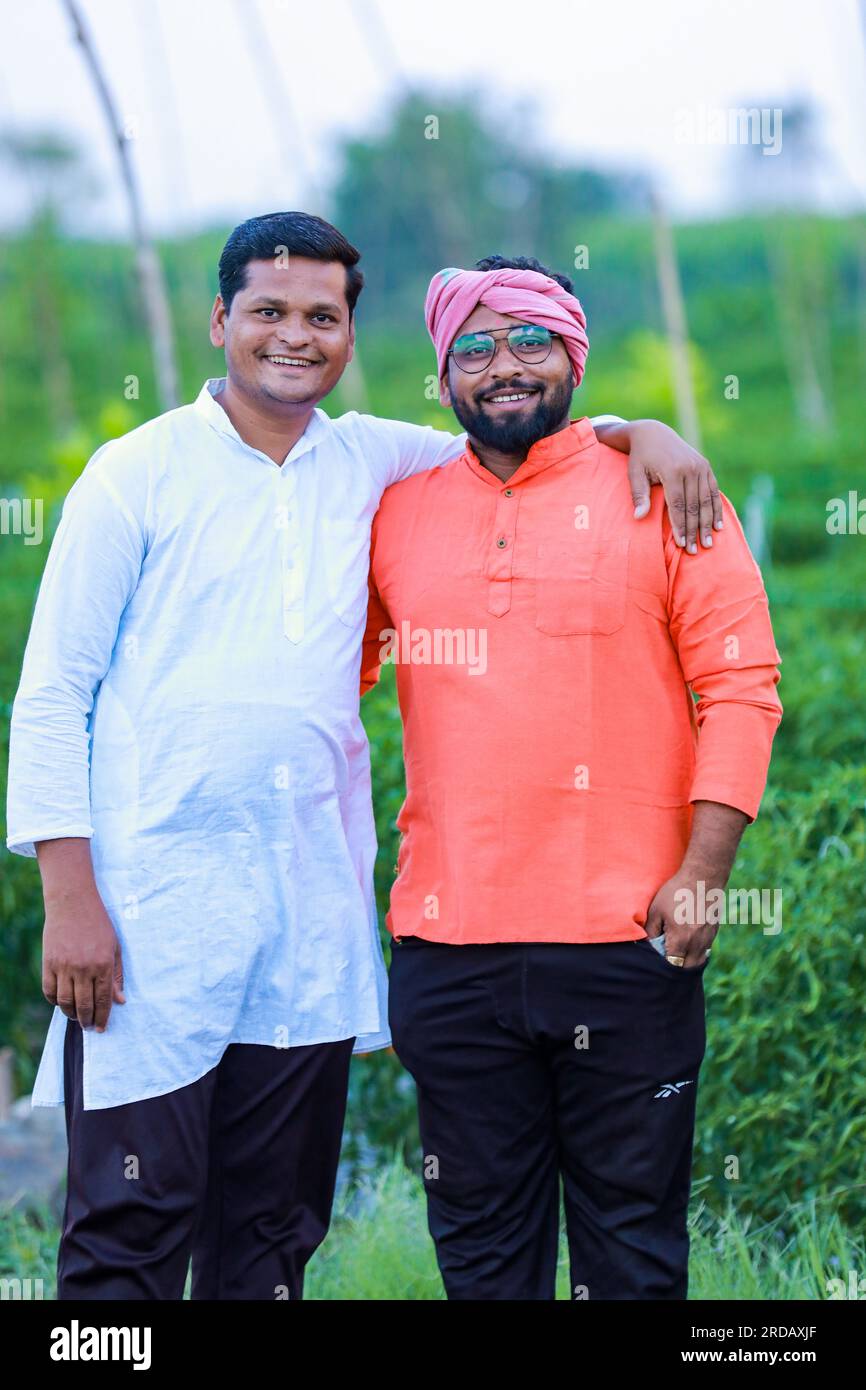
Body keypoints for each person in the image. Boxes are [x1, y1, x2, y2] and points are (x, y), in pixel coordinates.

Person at [6, 212, 720, 1301]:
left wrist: (643, 430)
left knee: (273, 1228)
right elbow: (53, 692)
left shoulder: (377, 461)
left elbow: (518, 436)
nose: (294, 336)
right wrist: (70, 898)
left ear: (348, 333)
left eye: (322, 316)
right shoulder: (132, 474)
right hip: (149, 914)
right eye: (269, 311)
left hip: (304, 916)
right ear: (220, 320)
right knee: (127, 1225)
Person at [362, 255, 783, 1300]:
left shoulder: (667, 489)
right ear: (442, 373)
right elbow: (316, 678)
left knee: (631, 1248)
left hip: (627, 938)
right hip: (448, 948)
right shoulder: (393, 512)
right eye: (473, 347)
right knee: (481, 1254)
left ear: (573, 354)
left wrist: (704, 876)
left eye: (530, 340)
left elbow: (741, 687)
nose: (503, 364)